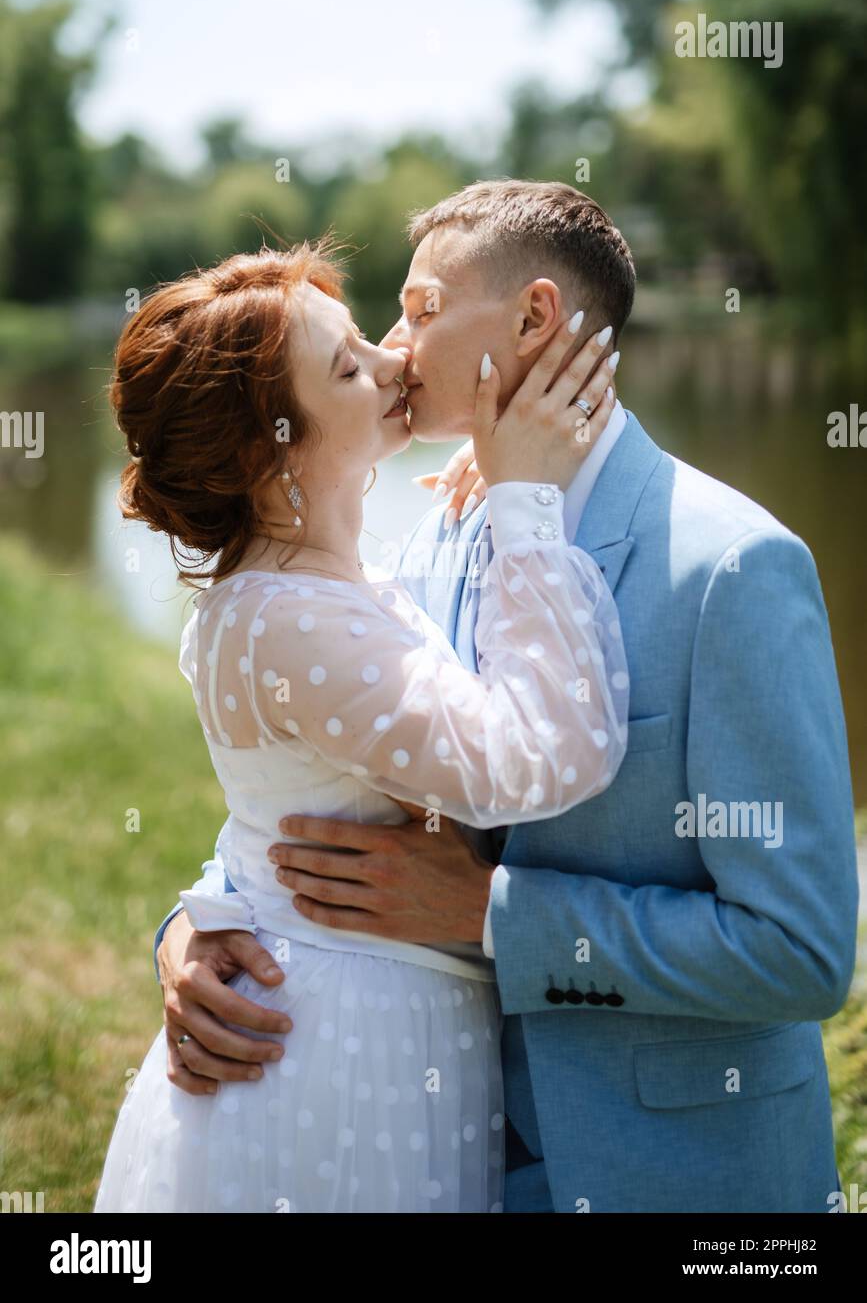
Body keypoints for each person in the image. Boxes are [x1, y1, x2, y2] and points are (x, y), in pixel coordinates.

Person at [154, 181, 860, 1214]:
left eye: (423, 309)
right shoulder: (431, 535)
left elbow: (801, 953)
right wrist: (192, 926)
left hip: (679, 1186)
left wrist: (494, 916)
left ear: (533, 317)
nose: (395, 347)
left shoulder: (731, 568)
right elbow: (338, 779)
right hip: (441, 1153)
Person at [93, 235, 629, 1213]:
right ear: (275, 446)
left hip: (353, 1021)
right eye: (349, 364)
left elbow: (279, 810)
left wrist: (192, 923)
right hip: (337, 1058)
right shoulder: (284, 615)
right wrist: (525, 505)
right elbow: (527, 763)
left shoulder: (319, 585)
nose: (397, 359)